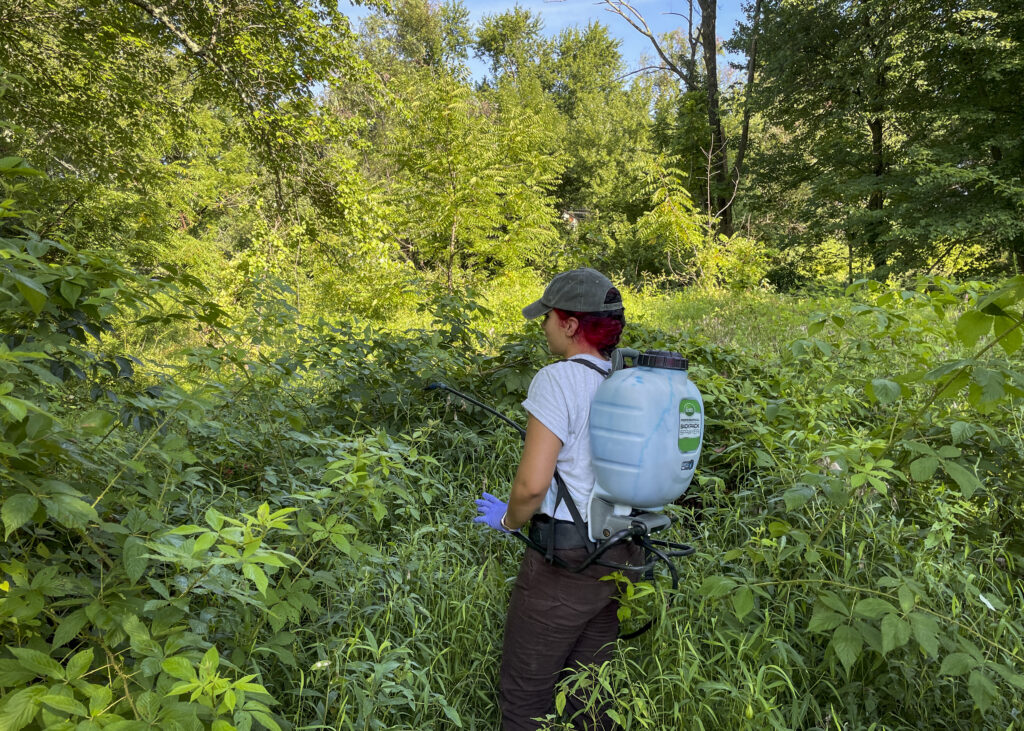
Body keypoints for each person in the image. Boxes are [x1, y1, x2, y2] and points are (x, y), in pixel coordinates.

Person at [474, 268, 642, 731]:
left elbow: (531, 486)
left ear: (570, 324)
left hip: (565, 561)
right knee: (591, 694)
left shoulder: (557, 380)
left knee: (526, 697)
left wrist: (509, 521)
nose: (543, 324)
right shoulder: (630, 382)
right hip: (621, 551)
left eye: (548, 315)